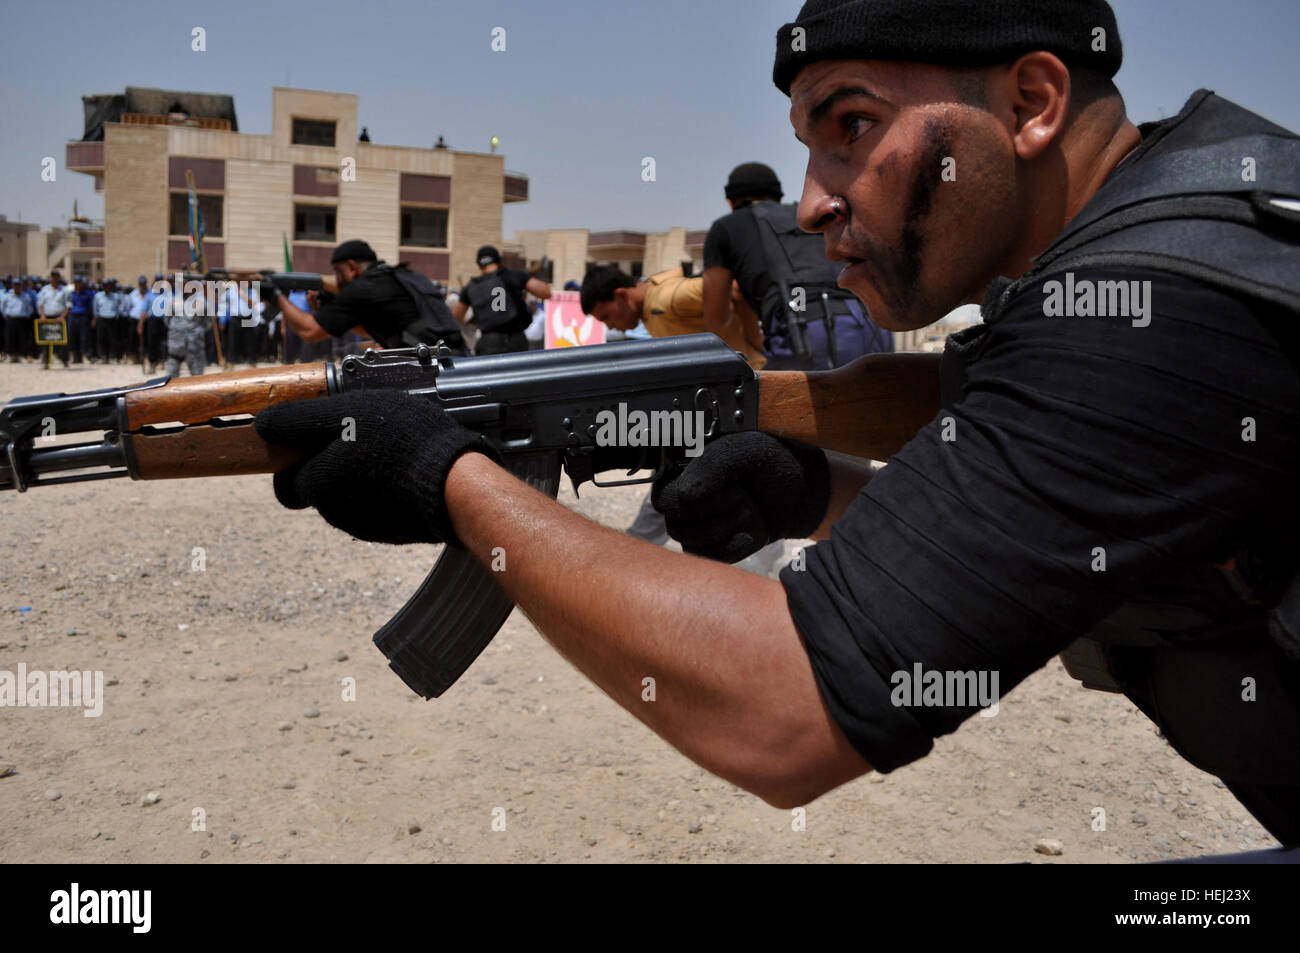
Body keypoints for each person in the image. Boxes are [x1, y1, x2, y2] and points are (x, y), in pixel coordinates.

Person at [256, 0, 1300, 855]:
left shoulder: (1152, 306)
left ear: (1030, 101)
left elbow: (792, 710)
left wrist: (455, 477)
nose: (810, 204)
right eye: (807, 144)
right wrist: (819, 487)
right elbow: (1062, 522)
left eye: (852, 126)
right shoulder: (1184, 216)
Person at [704, 162, 892, 369]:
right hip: (872, 329)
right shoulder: (810, 217)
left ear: (730, 202)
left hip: (802, 338)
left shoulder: (726, 228)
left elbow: (717, 319)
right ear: (779, 198)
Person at [271, 239, 467, 354]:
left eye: (339, 273)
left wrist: (276, 296)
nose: (338, 281)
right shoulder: (402, 276)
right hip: (454, 358)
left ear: (352, 267)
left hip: (436, 367)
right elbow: (375, 330)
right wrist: (328, 313)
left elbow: (310, 332)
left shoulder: (363, 288)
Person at [451, 245, 550, 355]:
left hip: (489, 344)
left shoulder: (470, 287)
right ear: (499, 261)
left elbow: (455, 318)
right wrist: (523, 278)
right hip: (517, 342)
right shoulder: (516, 275)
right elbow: (545, 293)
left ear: (479, 265)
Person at [36, 270, 72, 368]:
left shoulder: (65, 290)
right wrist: (42, 315)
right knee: (46, 340)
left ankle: (65, 360)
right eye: (52, 276)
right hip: (47, 318)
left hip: (60, 318)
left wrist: (62, 317)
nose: (54, 278)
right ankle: (46, 361)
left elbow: (68, 305)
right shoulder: (44, 290)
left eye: (56, 276)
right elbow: (41, 304)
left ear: (59, 278)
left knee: (63, 340)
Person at [2, 276, 35, 363]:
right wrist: (7, 316)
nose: (17, 287)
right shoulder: (8, 296)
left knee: (22, 339)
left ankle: (21, 355)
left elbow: (30, 309)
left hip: (22, 320)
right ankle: (11, 356)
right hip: (10, 319)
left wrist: (26, 315)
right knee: (10, 338)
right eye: (15, 285)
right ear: (13, 286)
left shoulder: (25, 296)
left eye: (18, 285)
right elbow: (3, 308)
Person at [92, 278, 124, 364]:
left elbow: (120, 307)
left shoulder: (116, 296)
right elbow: (95, 309)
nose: (106, 287)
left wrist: (117, 316)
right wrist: (95, 319)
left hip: (112, 320)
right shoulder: (98, 296)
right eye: (105, 286)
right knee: (102, 339)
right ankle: (103, 357)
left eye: (108, 286)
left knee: (113, 339)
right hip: (102, 319)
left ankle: (113, 357)